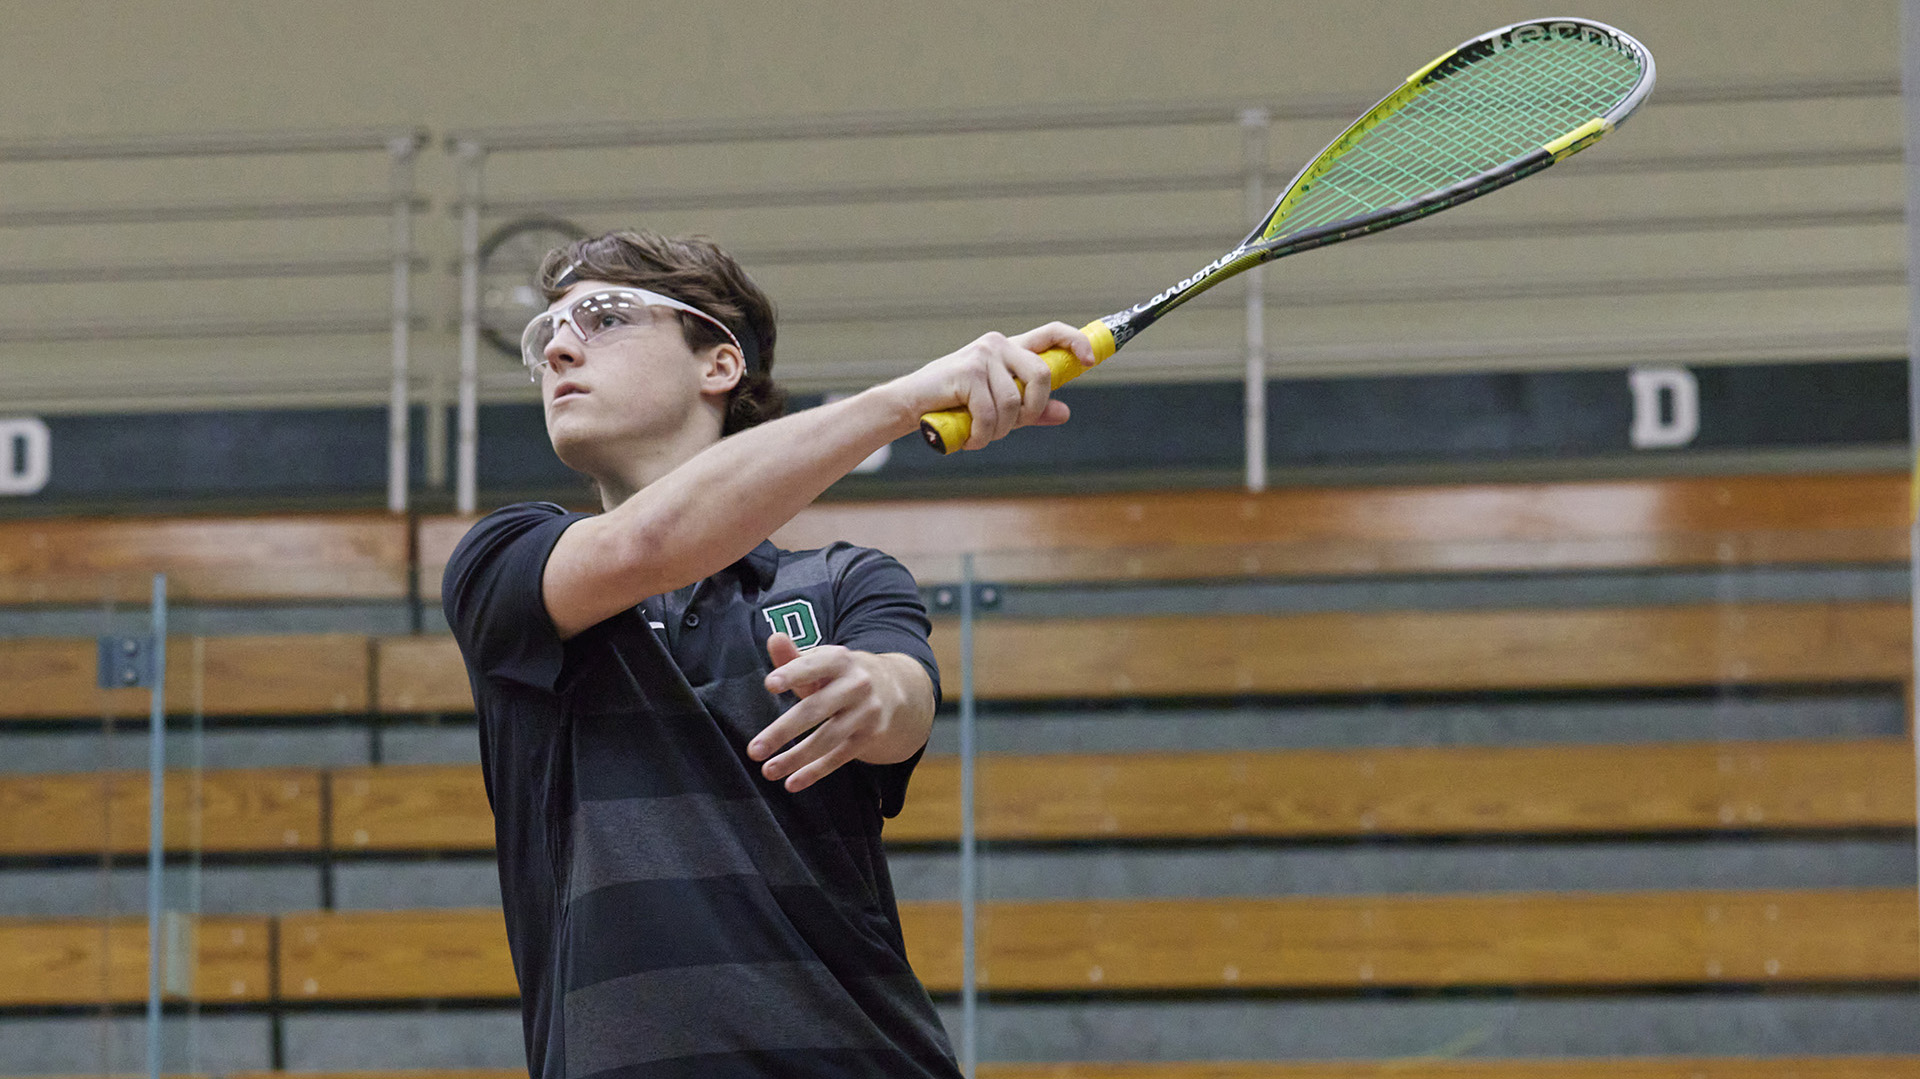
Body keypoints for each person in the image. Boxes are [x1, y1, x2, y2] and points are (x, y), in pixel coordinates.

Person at [441, 229, 1093, 1079]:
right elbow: (652, 542)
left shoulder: (844, 581)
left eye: (602, 318)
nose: (559, 345)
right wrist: (903, 399)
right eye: (549, 335)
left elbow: (905, 704)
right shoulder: (507, 564)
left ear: (719, 363)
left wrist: (874, 692)